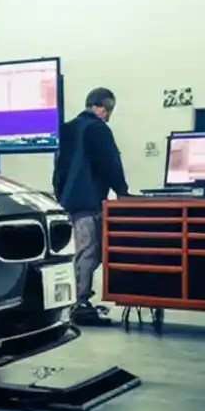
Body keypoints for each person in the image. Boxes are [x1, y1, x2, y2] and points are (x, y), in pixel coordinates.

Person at [53, 88, 130, 325]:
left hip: (68, 200)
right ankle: (79, 304)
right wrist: (123, 192)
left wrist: (61, 195)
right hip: (89, 201)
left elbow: (59, 169)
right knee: (88, 252)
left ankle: (73, 300)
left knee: (78, 251)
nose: (107, 116)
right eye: (108, 111)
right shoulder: (98, 129)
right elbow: (110, 163)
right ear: (101, 107)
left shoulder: (67, 128)